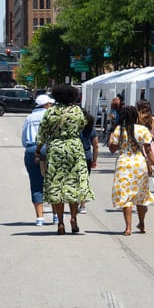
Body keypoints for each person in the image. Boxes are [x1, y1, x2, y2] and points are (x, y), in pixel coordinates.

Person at [35, 84, 94, 234]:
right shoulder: (76, 111)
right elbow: (82, 126)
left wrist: (37, 151)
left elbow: (42, 134)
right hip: (74, 148)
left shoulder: (51, 112)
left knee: (57, 186)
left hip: (55, 149)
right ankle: (73, 217)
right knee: (73, 185)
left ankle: (60, 222)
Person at [109, 106, 154, 236]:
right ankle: (141, 223)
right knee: (141, 195)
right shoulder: (143, 130)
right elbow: (148, 150)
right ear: (136, 116)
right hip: (139, 163)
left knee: (126, 196)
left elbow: (112, 149)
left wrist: (111, 141)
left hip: (123, 164)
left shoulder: (119, 130)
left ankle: (128, 228)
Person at [22, 94, 54, 225]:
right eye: (50, 104)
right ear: (45, 105)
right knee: (53, 182)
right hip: (49, 148)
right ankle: (56, 215)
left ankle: (39, 217)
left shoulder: (29, 118)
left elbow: (24, 139)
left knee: (36, 184)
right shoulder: (51, 116)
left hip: (32, 149)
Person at [136, 99, 154, 192]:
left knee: (144, 167)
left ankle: (141, 187)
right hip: (150, 144)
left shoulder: (137, 120)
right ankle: (143, 187)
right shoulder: (153, 119)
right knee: (148, 167)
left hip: (141, 145)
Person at [79, 109, 100, 212]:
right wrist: (94, 160)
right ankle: (82, 205)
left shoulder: (74, 129)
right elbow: (96, 146)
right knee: (84, 180)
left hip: (74, 156)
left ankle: (73, 202)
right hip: (86, 157)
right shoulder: (91, 130)